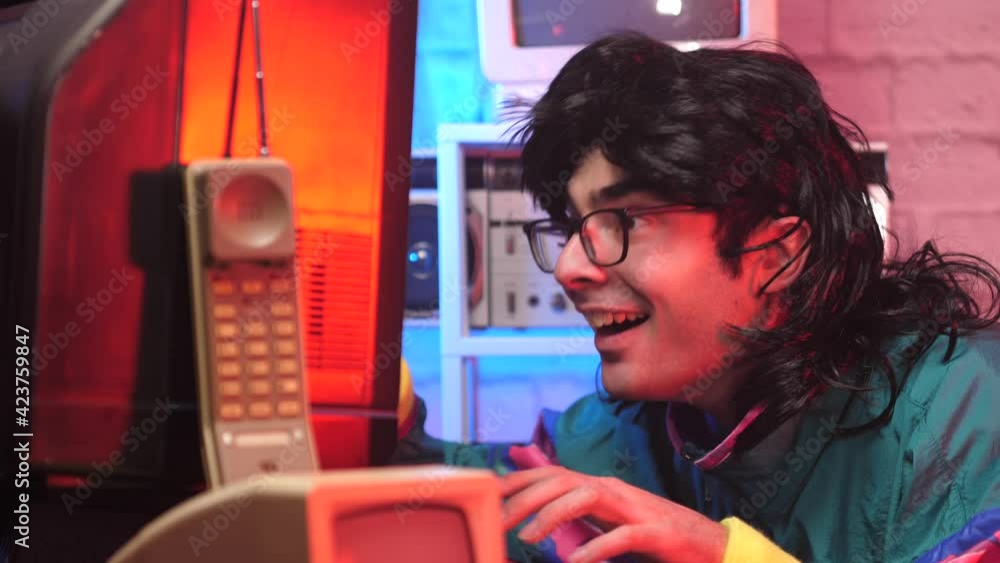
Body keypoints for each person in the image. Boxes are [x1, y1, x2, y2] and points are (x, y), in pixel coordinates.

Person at [392, 32, 1000, 563]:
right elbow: (493, 506)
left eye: (624, 220)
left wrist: (724, 555)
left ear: (778, 253)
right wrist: (387, 421)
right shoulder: (638, 427)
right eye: (571, 228)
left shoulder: (963, 414)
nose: (571, 268)